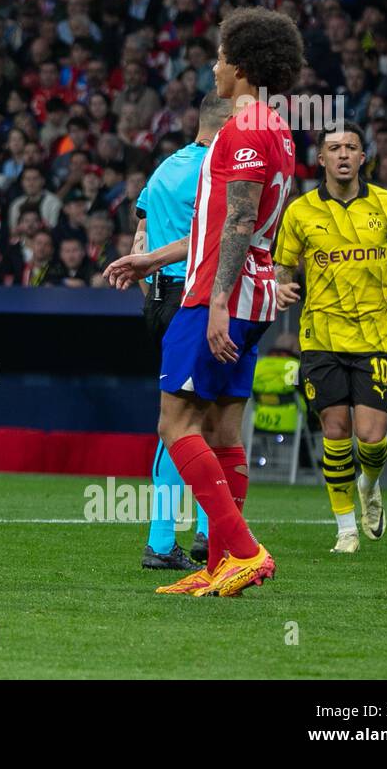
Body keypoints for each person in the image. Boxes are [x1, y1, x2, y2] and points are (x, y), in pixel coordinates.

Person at [105, 7, 302, 597]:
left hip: (222, 292)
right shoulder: (278, 126)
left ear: (240, 66)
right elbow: (221, 224)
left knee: (176, 423)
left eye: (219, 58)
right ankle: (220, 565)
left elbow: (238, 222)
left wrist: (216, 303)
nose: (213, 68)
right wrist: (152, 259)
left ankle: (244, 551)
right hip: (253, 291)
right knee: (222, 426)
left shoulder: (241, 130)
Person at [273, 122, 387, 553]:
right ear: (320, 159)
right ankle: (345, 530)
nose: (342, 154)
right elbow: (283, 265)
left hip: (375, 334)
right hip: (320, 337)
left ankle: (369, 486)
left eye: (350, 148)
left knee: (371, 439)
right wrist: (281, 285)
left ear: (361, 158)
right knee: (335, 432)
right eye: (333, 148)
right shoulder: (300, 212)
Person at [132, 92, 229, 571]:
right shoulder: (217, 170)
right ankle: (163, 539)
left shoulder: (164, 168)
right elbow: (216, 236)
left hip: (160, 296)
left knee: (198, 420)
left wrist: (151, 284)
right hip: (193, 298)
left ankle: (206, 536)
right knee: (186, 422)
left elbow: (141, 234)